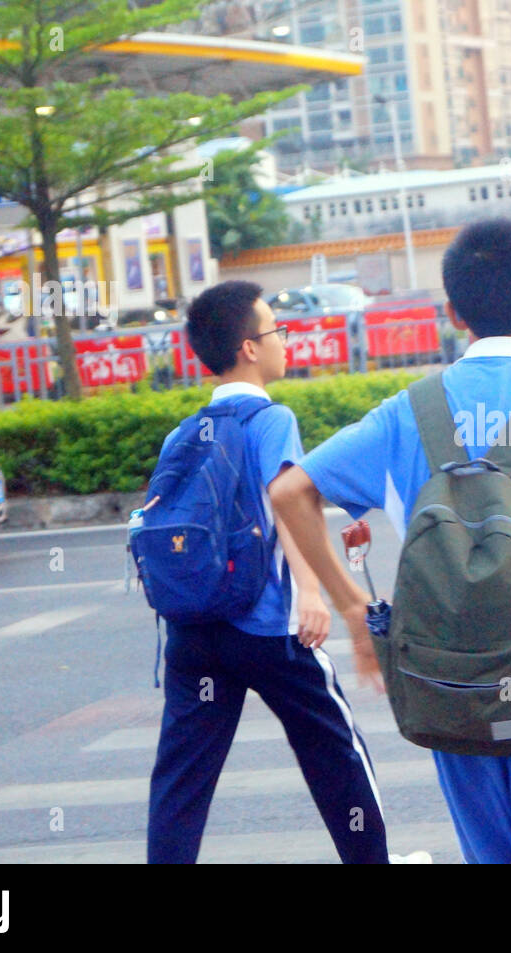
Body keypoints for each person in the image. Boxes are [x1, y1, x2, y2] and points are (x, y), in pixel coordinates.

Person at [270, 218, 511, 864]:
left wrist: (353, 608)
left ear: (453, 311)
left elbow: (290, 493)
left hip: (450, 689)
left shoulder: (411, 410)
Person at [146, 280, 392, 865]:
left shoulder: (184, 433)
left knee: (181, 781)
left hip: (192, 634)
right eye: (276, 330)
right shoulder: (270, 417)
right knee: (335, 752)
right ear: (249, 349)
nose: (285, 340)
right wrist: (310, 591)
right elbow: (289, 501)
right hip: (265, 629)